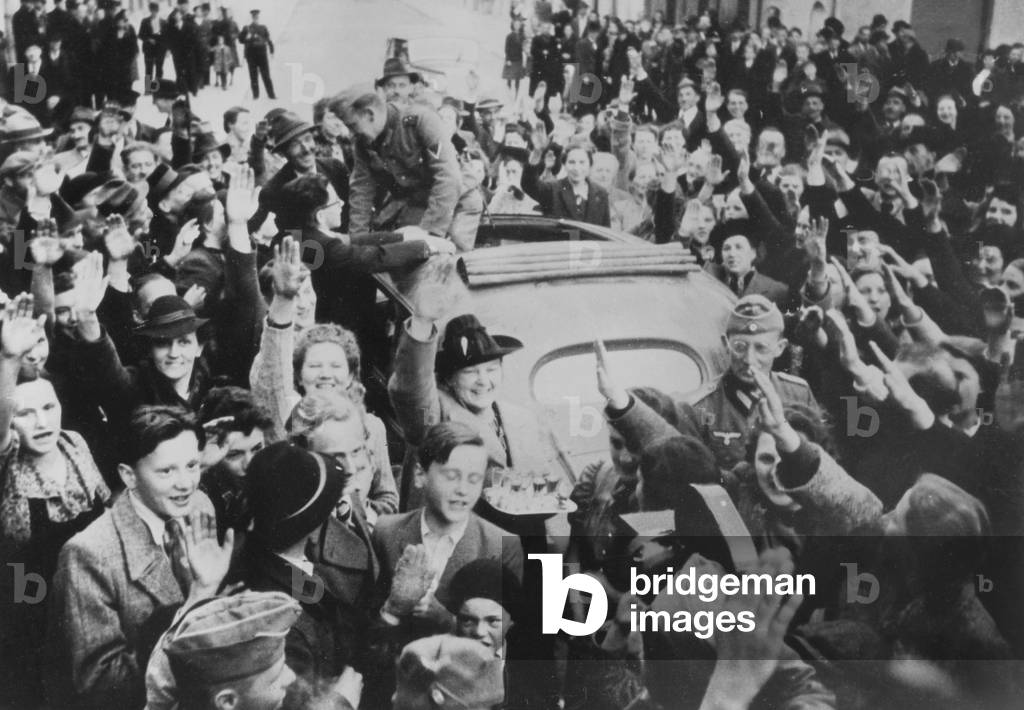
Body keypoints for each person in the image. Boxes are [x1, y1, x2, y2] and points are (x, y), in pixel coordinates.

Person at [46, 405, 229, 709]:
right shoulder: (88, 554)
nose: (186, 483)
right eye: (167, 471)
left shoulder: (196, 510)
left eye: (192, 465)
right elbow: (101, 687)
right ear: (129, 476)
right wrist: (197, 601)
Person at [0, 293, 111, 708]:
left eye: (49, 407)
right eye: (25, 414)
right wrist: (9, 359)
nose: (42, 422)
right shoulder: (7, 461)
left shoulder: (75, 444)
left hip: (91, 602)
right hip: (27, 609)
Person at [600, 295, 823, 470]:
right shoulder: (698, 408)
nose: (749, 359)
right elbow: (694, 473)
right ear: (726, 344)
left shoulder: (799, 394)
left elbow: (821, 459)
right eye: (740, 347)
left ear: (780, 348)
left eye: (761, 348)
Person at [372, 421, 524, 637]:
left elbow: (503, 638)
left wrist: (445, 620)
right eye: (451, 476)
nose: (463, 490)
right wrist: (394, 607)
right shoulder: (385, 531)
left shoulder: (501, 545)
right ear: (420, 475)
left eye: (474, 480)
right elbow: (364, 627)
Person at [329, 88, 476, 245]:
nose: (350, 134)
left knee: (446, 256)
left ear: (370, 114)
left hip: (456, 199)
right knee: (397, 249)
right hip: (416, 203)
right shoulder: (363, 143)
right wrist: (357, 241)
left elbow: (449, 178)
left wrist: (428, 230)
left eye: (352, 126)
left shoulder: (421, 121)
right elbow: (361, 192)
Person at [239, 9, 274, 100]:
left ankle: (271, 95)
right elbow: (241, 40)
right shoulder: (247, 28)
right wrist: (247, 37)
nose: (255, 19)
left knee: (266, 75)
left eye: (257, 17)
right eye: (254, 17)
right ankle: (255, 95)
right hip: (251, 55)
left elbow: (268, 39)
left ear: (258, 18)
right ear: (252, 18)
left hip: (262, 54)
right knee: (253, 76)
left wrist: (271, 50)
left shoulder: (263, 27)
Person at [139, 2, 167, 87]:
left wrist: (167, 49)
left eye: (155, 11)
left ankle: (158, 89)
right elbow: (140, 35)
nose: (154, 13)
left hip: (160, 49)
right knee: (148, 69)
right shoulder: (145, 21)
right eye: (152, 11)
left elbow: (167, 36)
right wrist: (148, 39)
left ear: (158, 11)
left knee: (159, 69)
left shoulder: (163, 22)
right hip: (149, 49)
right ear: (150, 11)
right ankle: (148, 88)